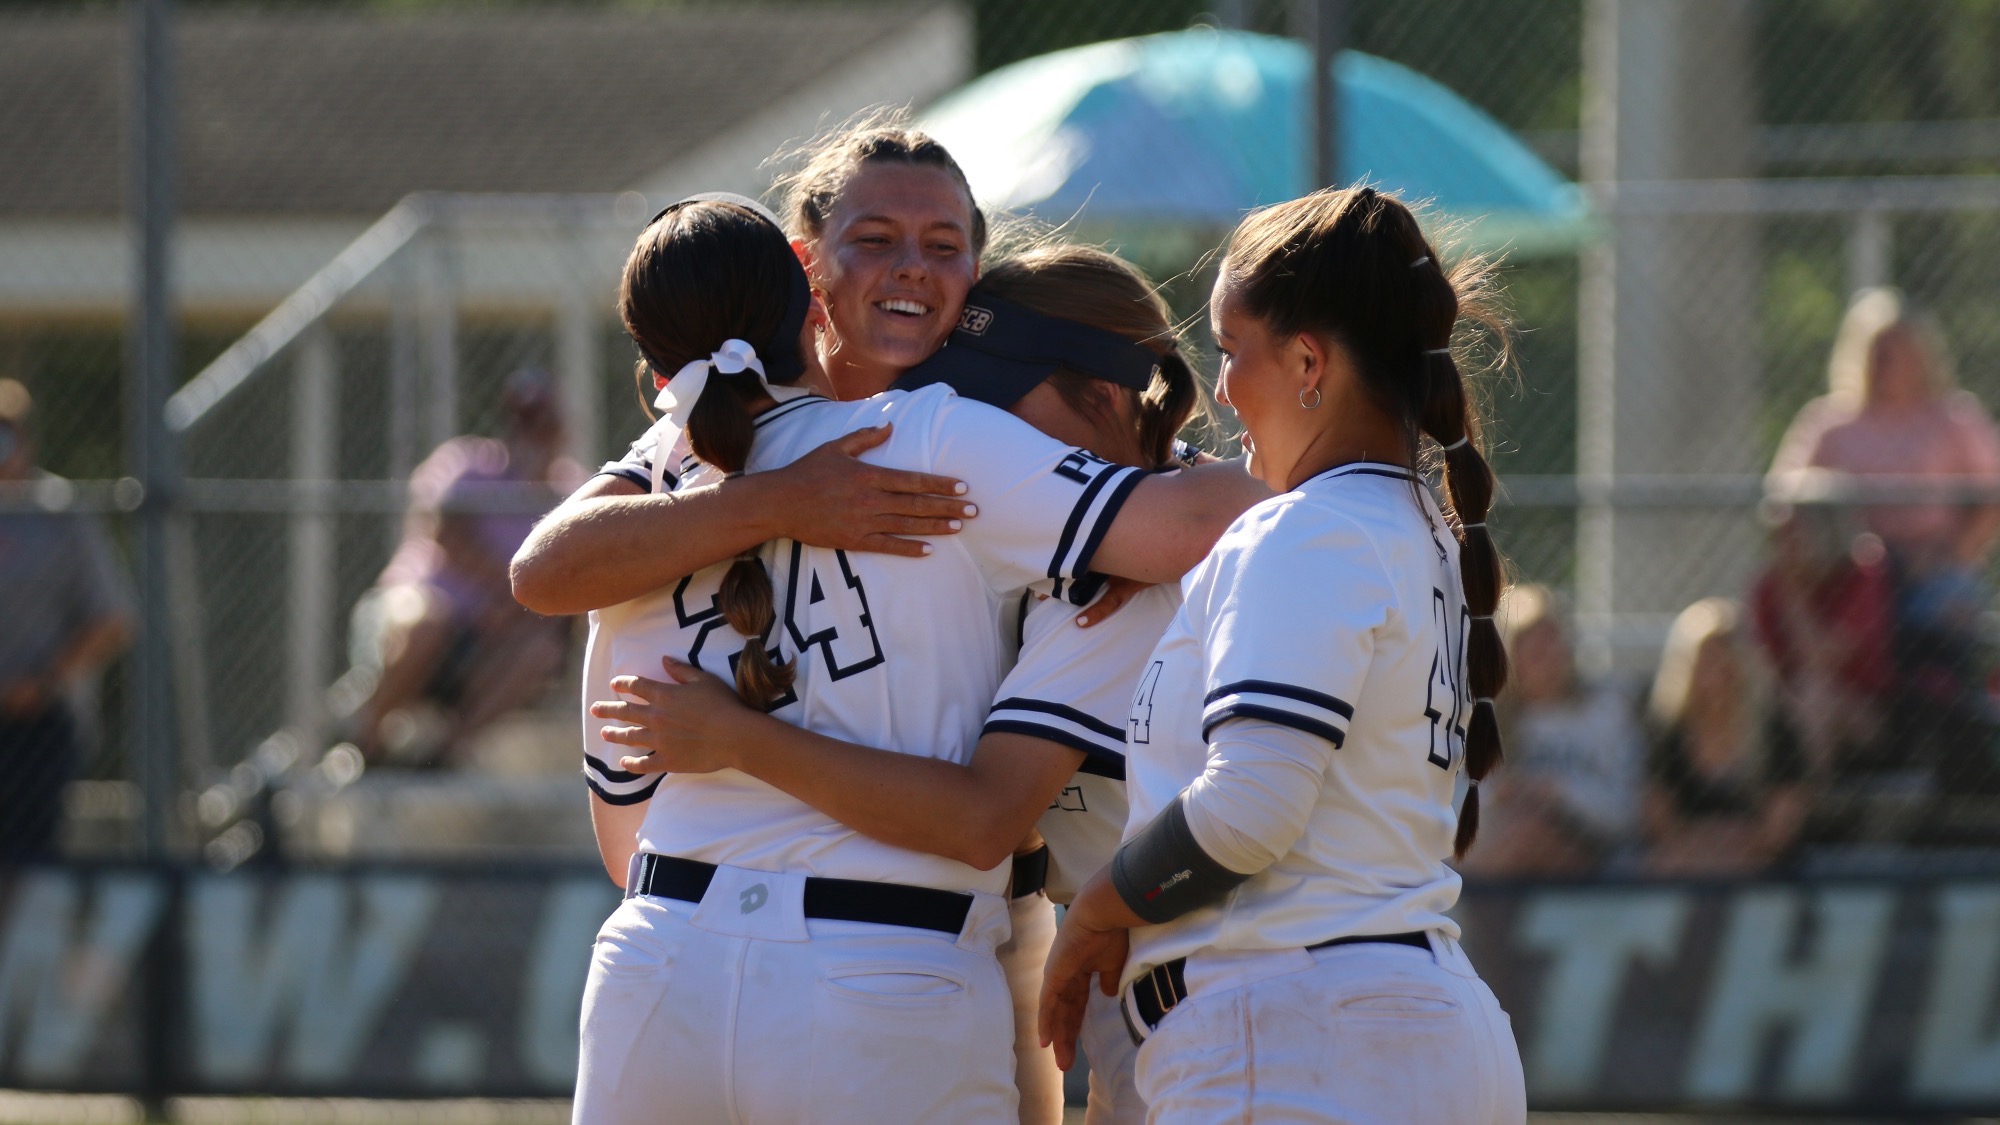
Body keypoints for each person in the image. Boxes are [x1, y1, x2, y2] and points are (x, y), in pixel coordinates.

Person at [570, 196, 1263, 1125]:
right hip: (928, 970)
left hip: (667, 959)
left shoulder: (650, 512)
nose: (977, 406)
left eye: (996, 390)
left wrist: (739, 739)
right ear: (811, 289)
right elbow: (982, 822)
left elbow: (623, 836)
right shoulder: (942, 449)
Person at [1038, 186, 1526, 1123]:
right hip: (1379, 1025)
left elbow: (1249, 809)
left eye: (1230, 351)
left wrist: (1097, 913)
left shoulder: (1308, 531)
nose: (1218, 388)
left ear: (1309, 361)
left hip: (1307, 1038)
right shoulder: (1414, 526)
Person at [348, 368, 582, 766]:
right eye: (524, 421)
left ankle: (442, 757)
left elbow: (573, 580)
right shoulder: (469, 464)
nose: (532, 434)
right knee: (428, 621)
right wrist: (506, 593)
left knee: (541, 651)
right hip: (423, 619)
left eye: (543, 423)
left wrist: (511, 611)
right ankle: (365, 746)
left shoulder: (572, 492)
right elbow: (446, 531)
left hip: (495, 642)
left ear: (560, 430)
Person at [0, 378, 133, 862]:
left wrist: (43, 683)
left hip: (42, 720)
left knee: (29, 856)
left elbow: (114, 619)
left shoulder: (61, 513)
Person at [1459, 584, 1643, 876]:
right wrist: (1502, 794)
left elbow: (1623, 813)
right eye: (1532, 647)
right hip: (1504, 849)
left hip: (1590, 850)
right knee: (1521, 836)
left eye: (1552, 643)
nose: (1546, 657)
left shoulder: (1605, 714)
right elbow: (1460, 813)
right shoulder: (1486, 723)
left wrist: (1555, 791)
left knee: (1530, 837)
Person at [1642, 597, 1809, 875]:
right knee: (1658, 865)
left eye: (1723, 654)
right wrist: (1713, 844)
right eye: (1703, 658)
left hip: (1762, 867)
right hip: (1688, 862)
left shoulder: (1776, 729)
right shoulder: (1669, 732)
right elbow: (1658, 820)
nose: (1714, 668)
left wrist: (1726, 846)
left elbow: (1780, 829)